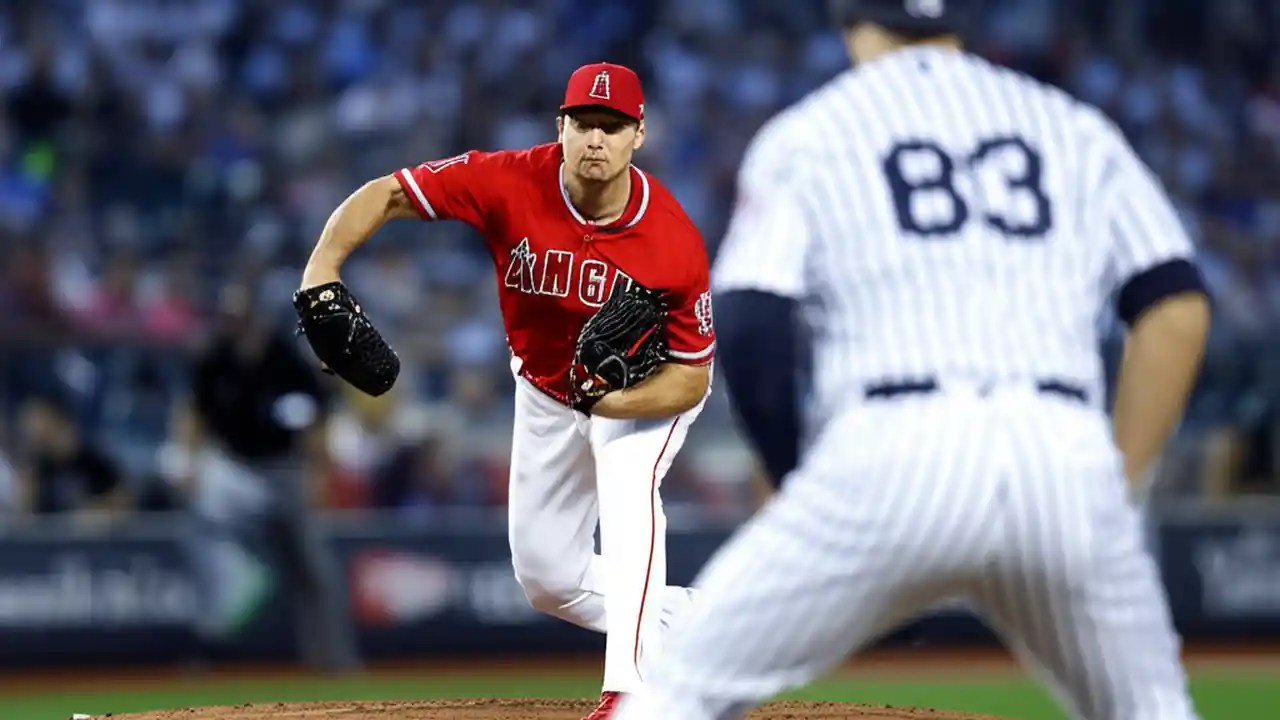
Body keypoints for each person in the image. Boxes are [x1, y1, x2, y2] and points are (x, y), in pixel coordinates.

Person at [616, 1, 1211, 719]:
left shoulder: (813, 133)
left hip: (892, 451)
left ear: (847, 13)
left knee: (677, 690)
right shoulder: (1072, 127)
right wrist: (1114, 485)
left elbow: (750, 323)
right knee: (1152, 708)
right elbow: (1175, 304)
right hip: (1062, 450)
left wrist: (793, 474)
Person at [297, 63, 716, 719]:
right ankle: (710, 624)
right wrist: (322, 264)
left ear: (639, 135)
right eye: (583, 123)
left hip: (644, 384)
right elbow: (387, 194)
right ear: (561, 127)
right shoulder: (507, 179)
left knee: (626, 472)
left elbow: (690, 374)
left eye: (612, 126)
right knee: (548, 578)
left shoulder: (671, 241)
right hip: (547, 386)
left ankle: (632, 690)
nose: (596, 139)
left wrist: (613, 404)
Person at [174, 282, 359, 672]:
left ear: (256, 319)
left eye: (240, 319)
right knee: (200, 540)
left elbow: (314, 423)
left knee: (313, 568)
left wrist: (319, 474)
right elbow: (194, 412)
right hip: (234, 470)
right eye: (230, 320)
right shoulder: (215, 359)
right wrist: (187, 460)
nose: (235, 326)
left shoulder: (285, 360)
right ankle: (208, 647)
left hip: (284, 470)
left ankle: (333, 661)